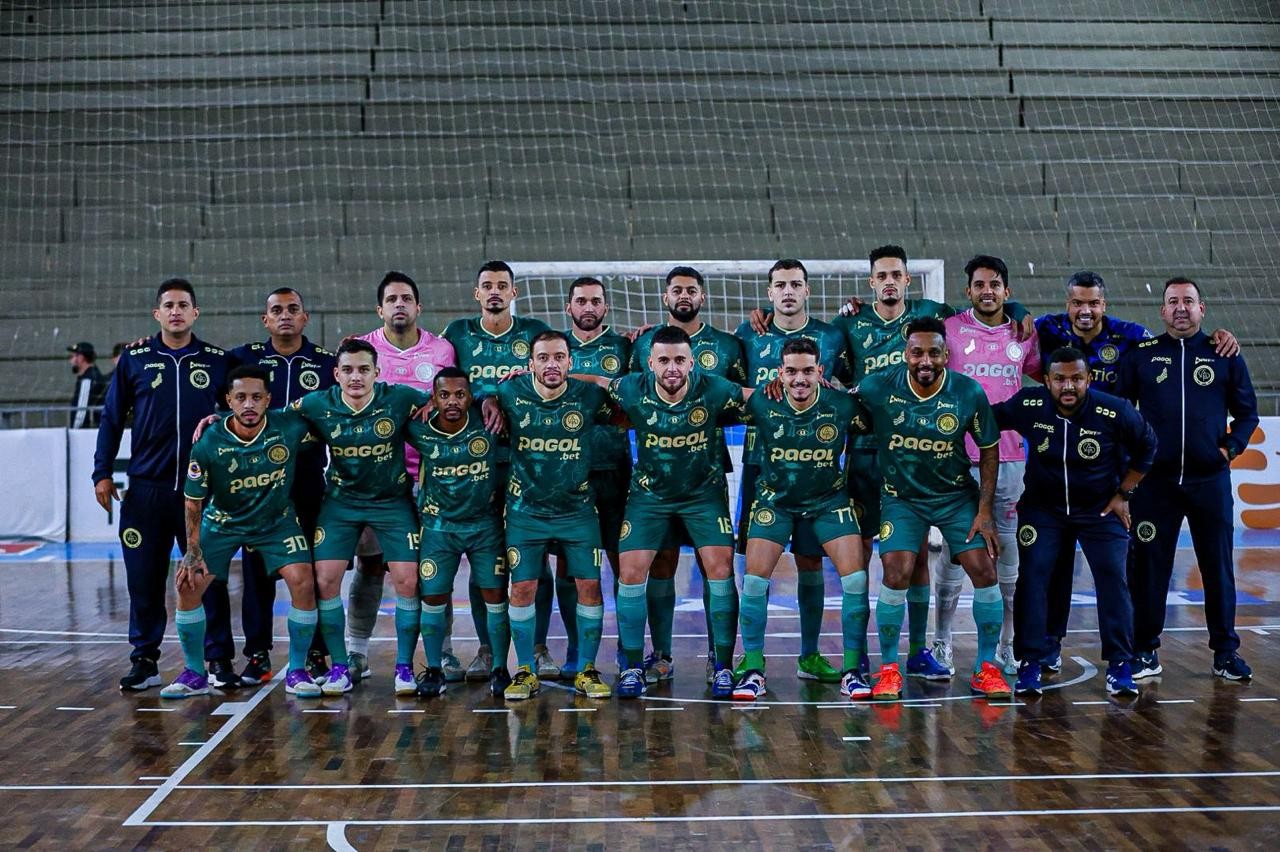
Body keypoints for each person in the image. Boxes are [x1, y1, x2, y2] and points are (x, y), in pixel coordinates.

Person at [1033, 270, 1238, 671]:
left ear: (1104, 305)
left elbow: (1175, 349)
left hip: (1111, 474)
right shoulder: (1044, 329)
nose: (1085, 310)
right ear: (1068, 304)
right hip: (1056, 466)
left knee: (1122, 566)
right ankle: (1050, 644)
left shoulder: (1134, 339)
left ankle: (1131, 655)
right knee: (1055, 563)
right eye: (1077, 302)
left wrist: (1217, 337)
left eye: (1093, 303)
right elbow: (1009, 324)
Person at [589, 326, 754, 699]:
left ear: (692, 362)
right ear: (650, 363)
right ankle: (634, 665)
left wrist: (787, 387)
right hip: (650, 497)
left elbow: (752, 396)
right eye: (664, 360)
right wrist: (537, 374)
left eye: (680, 360)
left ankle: (723, 664)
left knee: (720, 568)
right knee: (630, 572)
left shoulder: (713, 387)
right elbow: (597, 379)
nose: (672, 368)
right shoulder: (632, 387)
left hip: (703, 496)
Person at [850, 317, 1010, 700]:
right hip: (902, 499)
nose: (925, 360)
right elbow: (841, 401)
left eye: (934, 353)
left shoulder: (968, 392)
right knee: (896, 569)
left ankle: (986, 668)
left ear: (946, 354)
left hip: (956, 497)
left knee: (984, 570)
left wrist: (984, 510)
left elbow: (989, 448)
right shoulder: (877, 387)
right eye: (917, 352)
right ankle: (889, 668)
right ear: (905, 354)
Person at [992, 347, 1156, 697]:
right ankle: (1032, 662)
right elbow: (986, 419)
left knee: (1113, 576)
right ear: (1047, 380)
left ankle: (1120, 665)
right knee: (1033, 578)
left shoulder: (1114, 410)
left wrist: (1123, 493)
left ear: (1088, 380)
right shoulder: (1028, 405)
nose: (1069, 386)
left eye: (1077, 378)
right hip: (1043, 510)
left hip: (1099, 511)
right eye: (1060, 379)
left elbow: (1148, 445)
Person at [1117, 277, 1259, 682]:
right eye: (1173, 302)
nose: (1181, 308)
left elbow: (1247, 413)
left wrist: (1230, 449)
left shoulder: (1224, 354)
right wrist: (1130, 467)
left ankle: (1225, 653)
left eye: (1189, 301)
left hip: (1208, 483)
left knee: (1217, 568)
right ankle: (1145, 651)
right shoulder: (1141, 355)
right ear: (1162, 311)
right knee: (1148, 568)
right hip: (1154, 486)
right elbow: (1120, 414)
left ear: (1203, 308)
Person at [94, 279, 230, 691]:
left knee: (206, 577)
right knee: (143, 578)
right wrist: (101, 472)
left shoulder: (216, 361)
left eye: (183, 305)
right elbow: (111, 418)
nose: (175, 311)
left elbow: (242, 407)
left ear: (195, 313)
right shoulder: (134, 359)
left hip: (200, 492)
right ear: (157, 314)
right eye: (168, 305)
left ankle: (218, 659)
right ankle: (145, 660)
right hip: (146, 490)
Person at [160, 366, 324, 699]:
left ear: (268, 399)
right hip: (222, 522)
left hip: (276, 521)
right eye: (240, 398)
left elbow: (330, 415)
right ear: (228, 401)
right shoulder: (209, 442)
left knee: (304, 580)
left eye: (255, 397)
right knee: (188, 583)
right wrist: (192, 549)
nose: (248, 404)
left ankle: (296, 670)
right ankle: (194, 672)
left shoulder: (288, 426)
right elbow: (193, 501)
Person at [204, 287, 335, 686]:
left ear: (305, 317)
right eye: (276, 310)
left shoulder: (326, 364)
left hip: (308, 480)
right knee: (258, 574)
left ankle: (316, 654)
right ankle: (258, 654)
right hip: (255, 484)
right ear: (265, 320)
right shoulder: (242, 359)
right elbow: (220, 406)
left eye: (293, 309)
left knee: (308, 571)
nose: (285, 316)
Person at [730, 338, 870, 702]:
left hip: (827, 502)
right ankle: (754, 667)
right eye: (791, 371)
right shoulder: (763, 401)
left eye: (808, 370)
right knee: (755, 583)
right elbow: (715, 395)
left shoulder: (842, 405)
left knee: (855, 580)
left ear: (820, 372)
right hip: (774, 502)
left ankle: (852, 670)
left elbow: (877, 423)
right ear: (780, 373)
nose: (799, 379)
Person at [733, 259, 852, 684]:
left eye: (795, 284)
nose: (788, 291)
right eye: (780, 284)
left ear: (807, 291)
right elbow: (732, 387)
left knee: (810, 561)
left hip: (816, 468)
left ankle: (810, 654)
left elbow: (847, 386)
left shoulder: (834, 335)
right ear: (768, 293)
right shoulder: (748, 333)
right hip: (760, 461)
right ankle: (749, 659)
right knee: (754, 566)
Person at [291, 338, 431, 695]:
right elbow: (272, 419)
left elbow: (446, 403)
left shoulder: (399, 398)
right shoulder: (317, 403)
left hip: (392, 501)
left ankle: (403, 667)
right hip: (341, 503)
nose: (356, 377)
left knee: (408, 580)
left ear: (377, 373)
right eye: (349, 370)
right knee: (325, 579)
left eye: (364, 370)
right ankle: (341, 665)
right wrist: (220, 421)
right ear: (336, 374)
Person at [630, 266, 747, 683]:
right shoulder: (643, 343)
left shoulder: (729, 345)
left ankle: (721, 657)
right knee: (660, 563)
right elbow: (626, 391)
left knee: (715, 562)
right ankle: (660, 655)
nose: (684, 296)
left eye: (691, 290)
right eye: (676, 290)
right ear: (665, 297)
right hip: (656, 481)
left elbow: (741, 399)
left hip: (706, 477)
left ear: (702, 296)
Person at [443, 261, 557, 681]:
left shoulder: (533, 331)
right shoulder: (457, 334)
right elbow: (438, 375)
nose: (494, 292)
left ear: (514, 293)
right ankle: (488, 651)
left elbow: (553, 375)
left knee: (535, 556)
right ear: (477, 295)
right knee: (484, 559)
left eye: (502, 286)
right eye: (487, 286)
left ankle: (541, 648)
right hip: (475, 463)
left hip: (530, 460)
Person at [344, 272, 458, 686]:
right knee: (370, 567)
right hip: (379, 483)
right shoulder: (361, 350)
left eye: (406, 298)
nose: (399, 305)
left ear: (418, 307)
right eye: (391, 299)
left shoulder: (443, 350)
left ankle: (441, 653)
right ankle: (356, 653)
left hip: (432, 479)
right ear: (380, 309)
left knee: (433, 569)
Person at [935, 256, 1041, 676]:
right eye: (979, 285)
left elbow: (1047, 372)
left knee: (1009, 556)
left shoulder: (1024, 334)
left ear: (1006, 292)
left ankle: (1006, 646)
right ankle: (941, 642)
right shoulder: (950, 329)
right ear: (968, 291)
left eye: (995, 285)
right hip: (958, 460)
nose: (987, 291)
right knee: (955, 555)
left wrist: (1023, 316)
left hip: (1011, 459)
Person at [494, 331, 614, 701]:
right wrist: (488, 399)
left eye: (559, 357)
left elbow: (631, 405)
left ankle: (587, 668)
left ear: (570, 362)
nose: (551, 364)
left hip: (577, 511)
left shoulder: (590, 397)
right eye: (543, 358)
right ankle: (526, 670)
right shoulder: (508, 395)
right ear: (529, 364)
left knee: (589, 587)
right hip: (525, 512)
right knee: (523, 588)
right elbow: (471, 394)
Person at [406, 368, 510, 697]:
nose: (453, 401)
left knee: (494, 596)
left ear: (470, 397)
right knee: (434, 597)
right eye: (445, 395)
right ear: (433, 399)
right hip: (439, 528)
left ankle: (499, 668)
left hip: (484, 527)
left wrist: (487, 397)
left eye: (460, 394)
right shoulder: (418, 428)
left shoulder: (489, 424)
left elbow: (507, 393)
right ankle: (434, 668)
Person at [563, 276, 632, 678]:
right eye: (581, 301)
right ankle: (575, 648)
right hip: (566, 473)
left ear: (606, 307)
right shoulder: (553, 348)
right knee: (570, 568)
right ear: (568, 306)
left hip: (615, 470)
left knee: (623, 564)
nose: (588, 307)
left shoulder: (624, 347)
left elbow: (635, 389)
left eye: (596, 301)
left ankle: (627, 647)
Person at [68, 341, 109, 429]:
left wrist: (74, 431)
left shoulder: (88, 379)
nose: (70, 361)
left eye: (72, 356)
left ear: (81, 358)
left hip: (84, 434)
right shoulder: (92, 375)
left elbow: (81, 410)